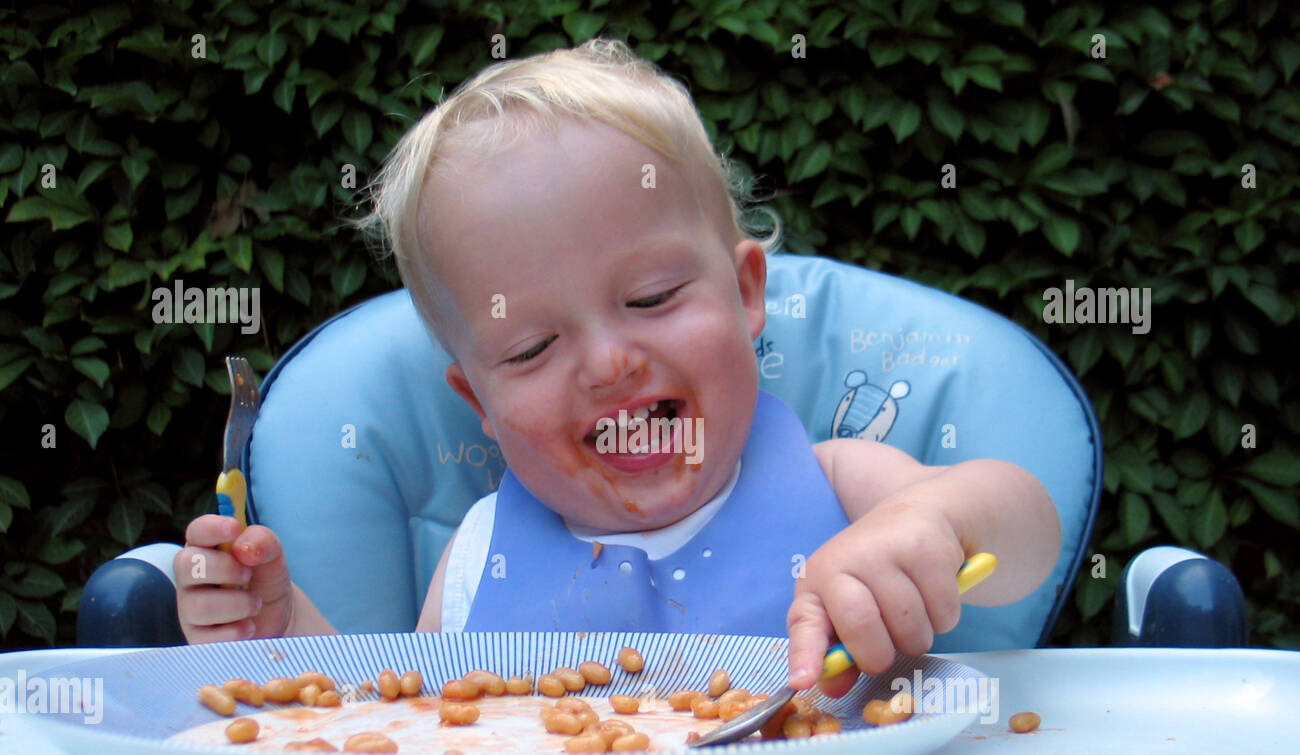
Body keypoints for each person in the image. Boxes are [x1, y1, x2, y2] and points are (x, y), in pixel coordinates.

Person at [177, 39, 1061, 697]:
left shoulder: (837, 484)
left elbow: (1029, 528)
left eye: (651, 297)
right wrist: (276, 629)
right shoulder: (480, 555)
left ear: (746, 293)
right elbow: (400, 725)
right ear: (478, 401)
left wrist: (933, 523)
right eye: (531, 348)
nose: (608, 364)